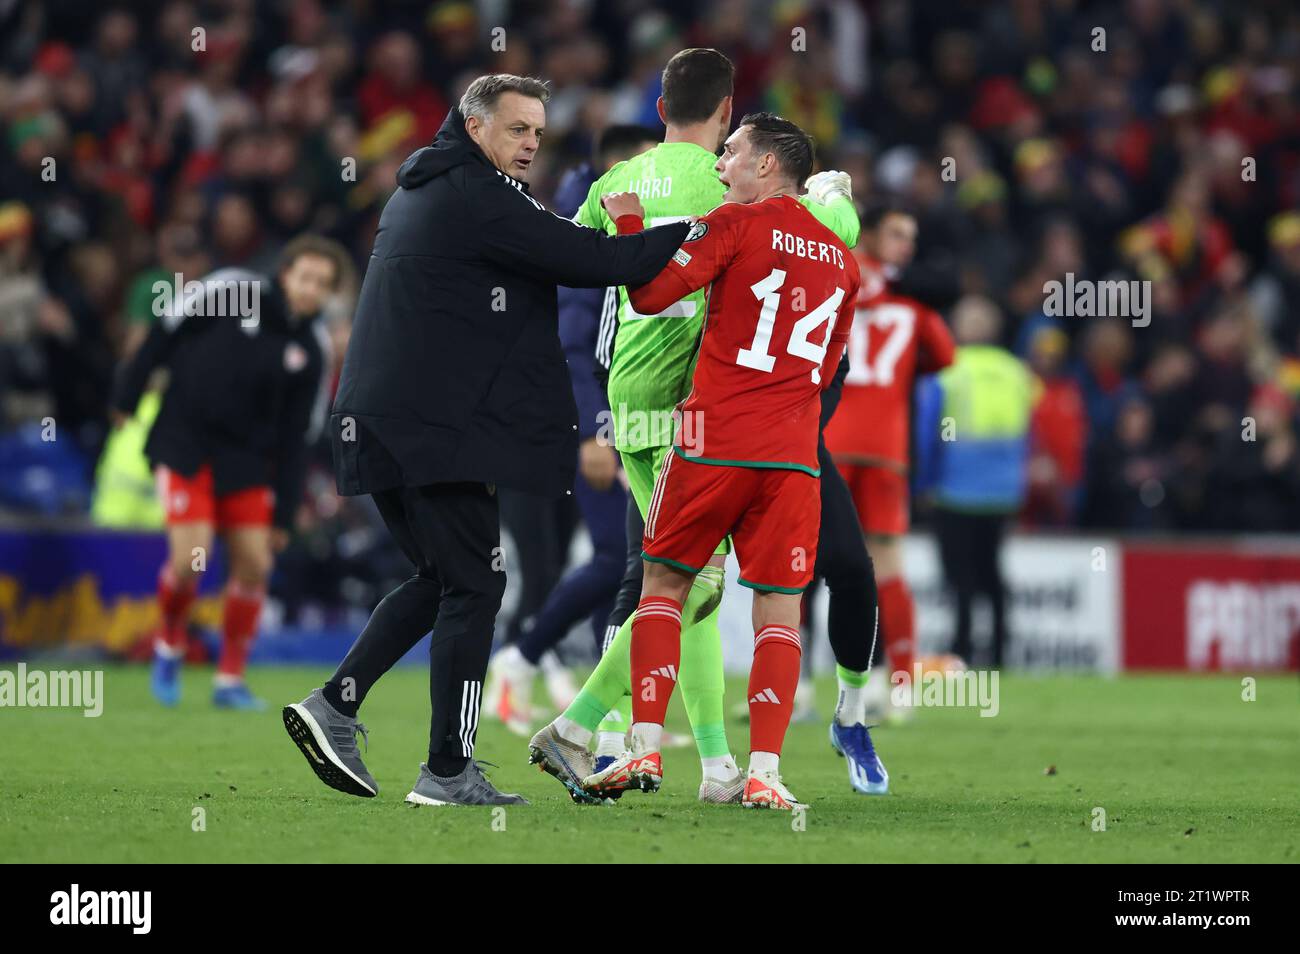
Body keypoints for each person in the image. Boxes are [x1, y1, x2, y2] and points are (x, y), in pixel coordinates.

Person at [281, 74, 691, 807]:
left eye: (539, 131)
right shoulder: (481, 195)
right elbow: (600, 264)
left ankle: (336, 706)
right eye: (517, 129)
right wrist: (699, 231)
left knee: (444, 578)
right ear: (476, 128)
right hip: (433, 425)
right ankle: (445, 771)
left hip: (380, 418)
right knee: (477, 584)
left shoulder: (422, 188)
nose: (532, 142)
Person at [524, 50, 860, 806]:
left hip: (647, 402)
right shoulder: (758, 207)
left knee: (676, 585)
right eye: (730, 135)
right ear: (724, 109)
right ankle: (609, 732)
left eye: (743, 148)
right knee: (700, 588)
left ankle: (689, 758)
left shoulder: (619, 180)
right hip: (734, 422)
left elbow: (586, 269)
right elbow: (836, 269)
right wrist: (835, 202)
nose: (730, 153)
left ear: (659, 106)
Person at [110, 235, 343, 710]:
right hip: (185, 443)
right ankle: (170, 645)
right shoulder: (230, 289)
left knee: (255, 565)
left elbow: (299, 438)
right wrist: (126, 397)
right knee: (190, 559)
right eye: (305, 277)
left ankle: (229, 679)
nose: (311, 289)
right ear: (285, 274)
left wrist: (283, 517)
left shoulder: (312, 348)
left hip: (247, 463)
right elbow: (166, 328)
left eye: (322, 284)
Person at [485, 124, 662, 734]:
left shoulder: (584, 224)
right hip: (583, 420)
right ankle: (526, 658)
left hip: (599, 417)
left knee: (612, 561)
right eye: (647, 163)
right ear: (617, 168)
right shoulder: (587, 236)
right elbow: (580, 342)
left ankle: (602, 700)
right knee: (618, 556)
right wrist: (596, 430)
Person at [822, 204, 955, 714]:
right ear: (872, 235)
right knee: (889, 565)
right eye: (899, 235)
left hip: (828, 439)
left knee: (811, 564)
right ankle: (900, 683)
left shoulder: (835, 282)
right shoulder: (914, 304)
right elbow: (945, 358)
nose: (908, 246)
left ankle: (815, 686)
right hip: (886, 450)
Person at [914, 295, 1032, 668]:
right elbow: (1028, 433)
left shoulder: (949, 370)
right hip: (1002, 492)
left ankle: (961, 651)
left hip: (955, 489)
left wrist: (923, 483)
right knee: (993, 572)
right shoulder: (1017, 372)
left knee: (959, 575)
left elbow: (928, 431)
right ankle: (999, 653)